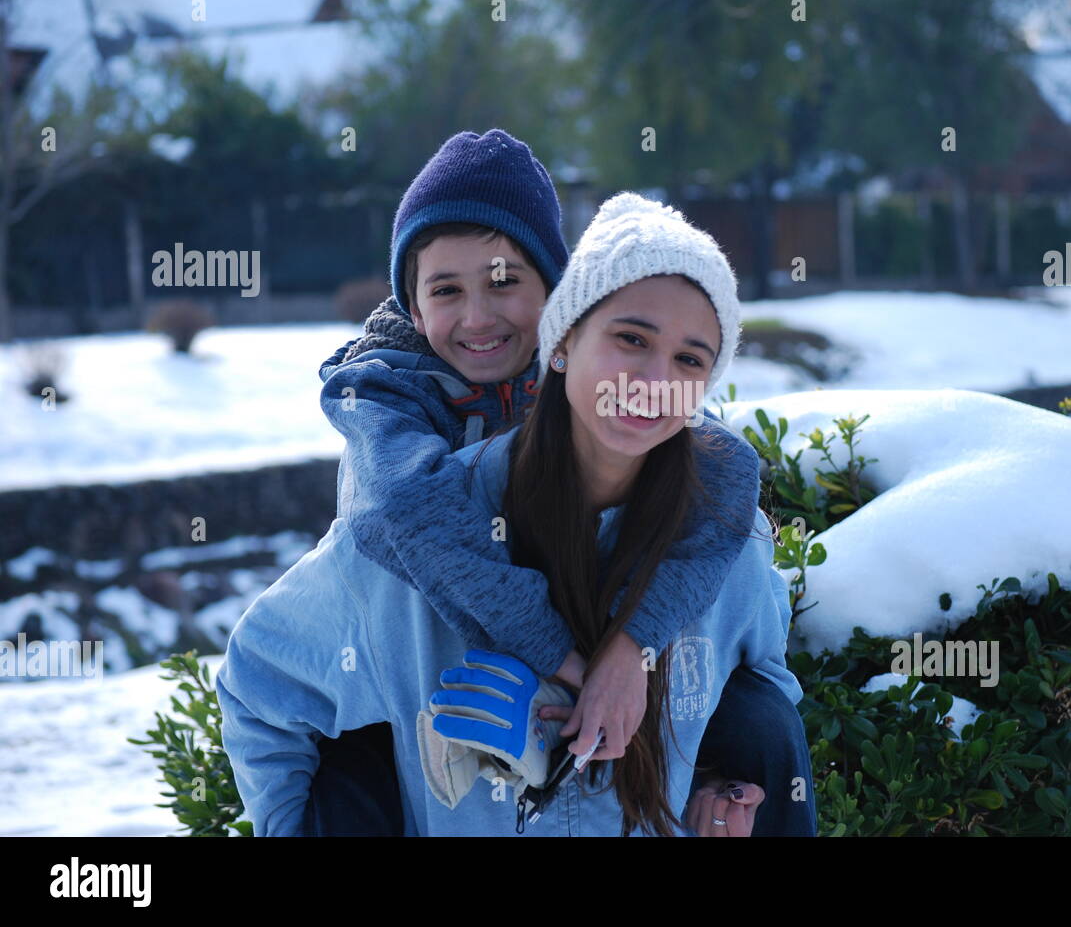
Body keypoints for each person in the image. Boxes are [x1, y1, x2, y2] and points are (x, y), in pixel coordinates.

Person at [215, 191, 811, 835]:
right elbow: (260, 684)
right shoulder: (411, 548)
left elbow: (761, 699)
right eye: (630, 337)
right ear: (562, 341)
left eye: (689, 359)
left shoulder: (728, 539)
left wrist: (721, 784)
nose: (654, 379)